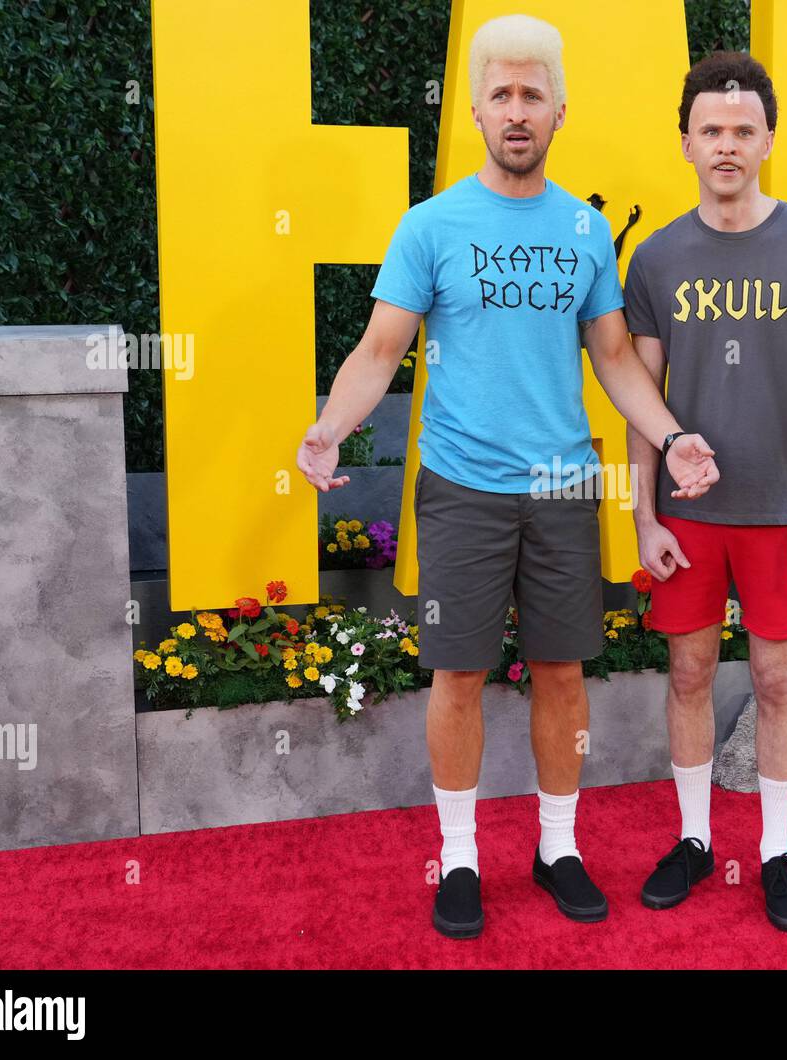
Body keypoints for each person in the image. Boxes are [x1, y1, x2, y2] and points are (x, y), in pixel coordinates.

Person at [295, 14, 719, 940]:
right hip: (460, 487)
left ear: (559, 111)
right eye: (501, 96)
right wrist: (330, 429)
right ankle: (458, 856)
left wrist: (673, 432)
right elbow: (379, 349)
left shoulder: (583, 230)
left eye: (533, 95)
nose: (516, 111)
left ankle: (557, 847)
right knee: (457, 677)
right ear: (478, 110)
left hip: (564, 488)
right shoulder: (431, 225)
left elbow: (613, 359)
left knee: (563, 675)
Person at [622, 51, 787, 932]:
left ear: (768, 140)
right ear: (686, 140)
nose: (727, 145)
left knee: (774, 681)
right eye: (711, 130)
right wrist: (643, 513)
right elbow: (639, 398)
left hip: (781, 513)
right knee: (687, 673)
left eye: (743, 131)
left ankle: (774, 850)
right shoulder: (654, 259)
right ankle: (693, 839)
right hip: (687, 517)